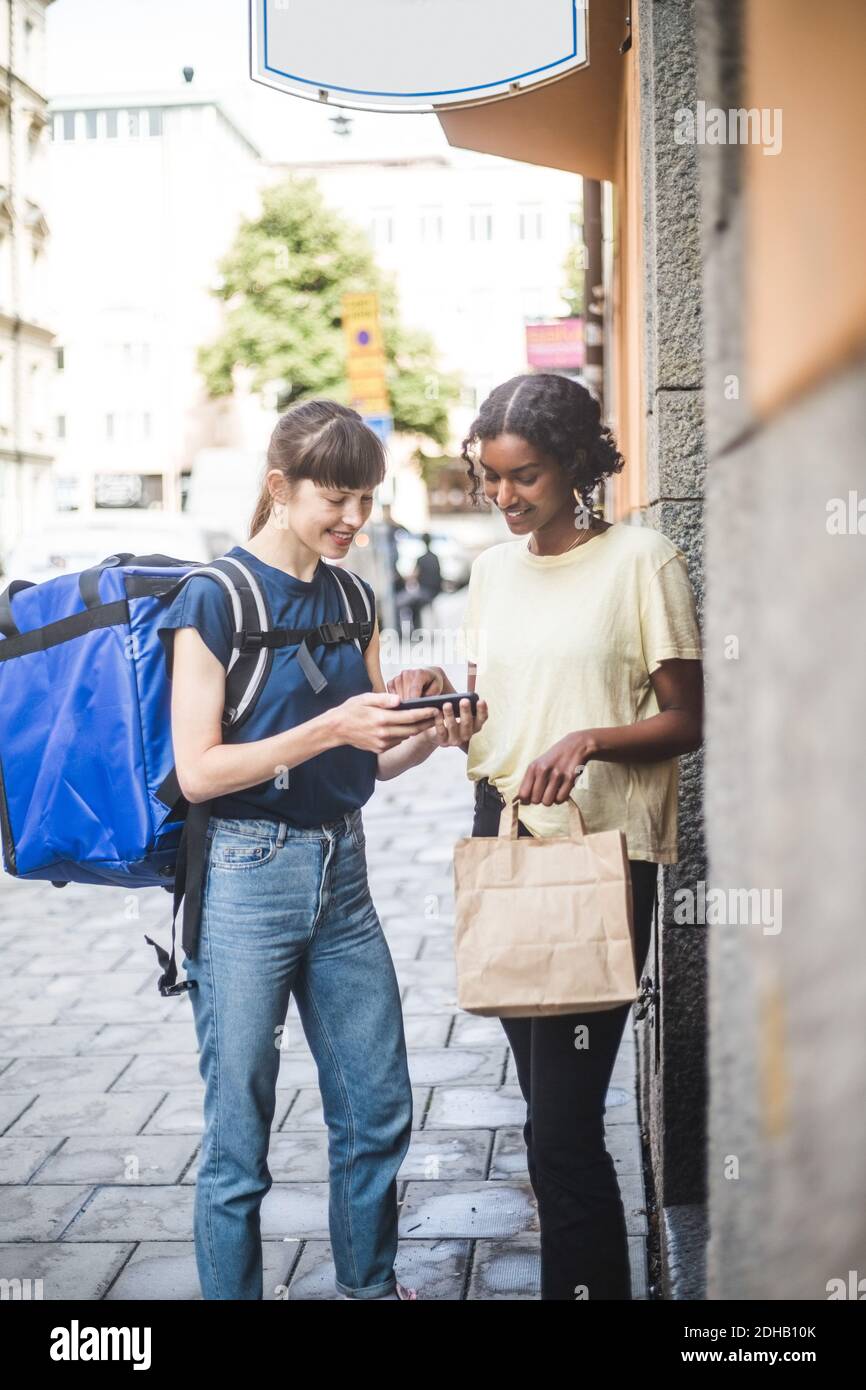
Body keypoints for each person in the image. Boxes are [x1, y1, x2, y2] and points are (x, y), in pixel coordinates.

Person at [157, 400, 487, 1301]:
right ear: (279, 488)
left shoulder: (353, 596)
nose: (353, 520)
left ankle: (368, 1289)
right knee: (239, 1138)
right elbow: (197, 772)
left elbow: (371, 758)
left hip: (344, 874)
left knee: (377, 1106)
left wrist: (435, 732)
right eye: (335, 500)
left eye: (366, 502)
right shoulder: (214, 599)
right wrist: (330, 725)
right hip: (244, 876)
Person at [387, 372, 703, 1301]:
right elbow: (494, 717)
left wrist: (592, 737)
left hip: (600, 855)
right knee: (545, 1113)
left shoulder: (641, 561)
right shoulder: (490, 571)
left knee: (560, 1130)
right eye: (489, 479)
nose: (503, 497)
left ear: (573, 463)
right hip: (506, 835)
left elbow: (689, 717)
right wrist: (442, 704)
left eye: (521, 476)